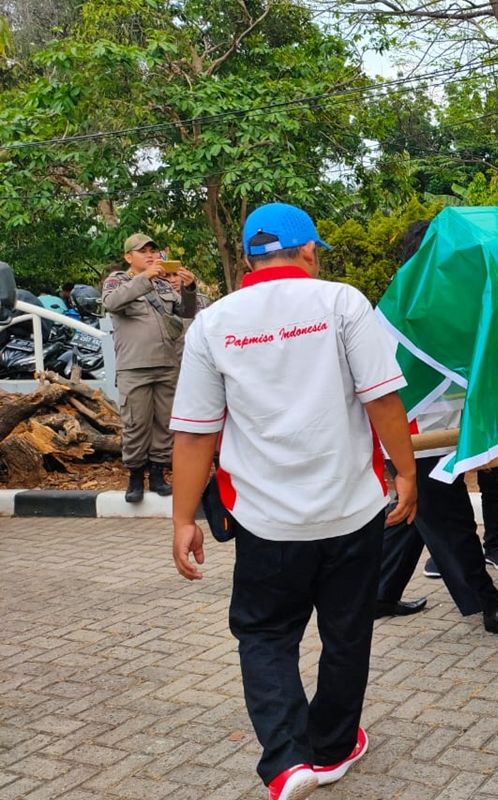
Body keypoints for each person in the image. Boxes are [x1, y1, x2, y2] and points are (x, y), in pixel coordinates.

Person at [169, 202, 419, 800]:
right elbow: (382, 400)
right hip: (351, 512)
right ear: (308, 250)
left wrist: (181, 518)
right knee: (346, 630)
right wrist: (405, 474)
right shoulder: (342, 303)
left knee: (265, 635)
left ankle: (285, 760)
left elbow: (196, 430)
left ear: (251, 256)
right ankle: (332, 749)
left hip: (265, 521)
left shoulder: (213, 323)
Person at [378, 219, 498, 635]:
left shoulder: (453, 300)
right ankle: (490, 608)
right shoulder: (403, 310)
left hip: (447, 431)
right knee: (452, 524)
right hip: (415, 439)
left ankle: (378, 593)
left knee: (413, 518)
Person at [102, 234, 198, 502]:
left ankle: (157, 474)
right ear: (128, 257)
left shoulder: (165, 285)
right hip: (134, 366)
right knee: (135, 423)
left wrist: (189, 289)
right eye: (142, 251)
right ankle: (135, 477)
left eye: (153, 251)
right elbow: (112, 303)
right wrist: (145, 278)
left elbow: (186, 314)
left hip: (168, 363)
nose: (150, 255)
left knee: (165, 423)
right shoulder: (118, 281)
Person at [421, 465, 498, 577]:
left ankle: (493, 548)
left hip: (486, 448)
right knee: (447, 489)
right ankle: (442, 552)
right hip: (451, 448)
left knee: (492, 489)